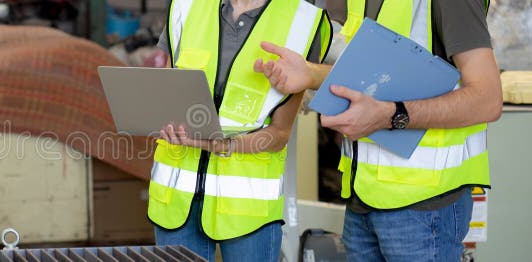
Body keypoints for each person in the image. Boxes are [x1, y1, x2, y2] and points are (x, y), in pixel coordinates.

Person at [254, 0, 502, 261]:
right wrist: (310, 73)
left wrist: (392, 115)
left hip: (424, 209)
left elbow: (487, 99)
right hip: (363, 199)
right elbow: (376, 78)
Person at [148, 0, 332, 261]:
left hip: (247, 212)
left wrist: (222, 145)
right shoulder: (185, 6)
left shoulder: (303, 21)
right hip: (175, 203)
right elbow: (169, 98)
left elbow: (280, 134)